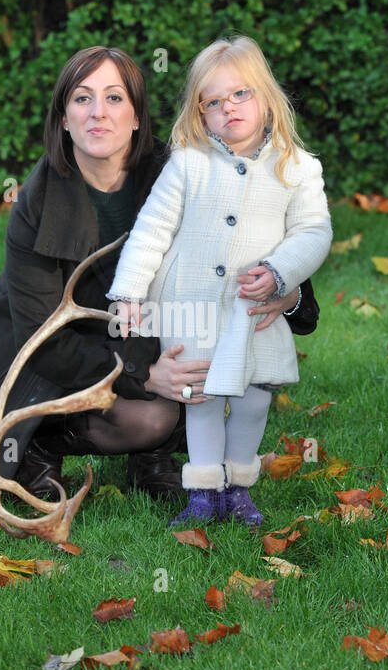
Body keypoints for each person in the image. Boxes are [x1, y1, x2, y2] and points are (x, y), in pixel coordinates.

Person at [0, 46, 318, 501]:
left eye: (114, 98)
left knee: (207, 362)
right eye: (81, 99)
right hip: (51, 356)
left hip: (146, 335)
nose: (98, 114)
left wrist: (286, 295)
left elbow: (261, 242)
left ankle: (154, 456)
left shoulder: (186, 171)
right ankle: (41, 445)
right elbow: (45, 343)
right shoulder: (34, 204)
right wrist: (145, 376)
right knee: (150, 414)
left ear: (136, 117)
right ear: (63, 118)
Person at [107, 36, 332, 526]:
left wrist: (279, 273)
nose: (227, 108)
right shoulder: (187, 165)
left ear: (267, 97)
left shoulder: (297, 167)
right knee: (201, 398)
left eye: (240, 94)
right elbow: (151, 230)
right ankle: (204, 491)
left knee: (254, 398)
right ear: (199, 113)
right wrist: (128, 292)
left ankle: (240, 488)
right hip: (191, 307)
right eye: (213, 102)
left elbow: (314, 233)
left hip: (255, 309)